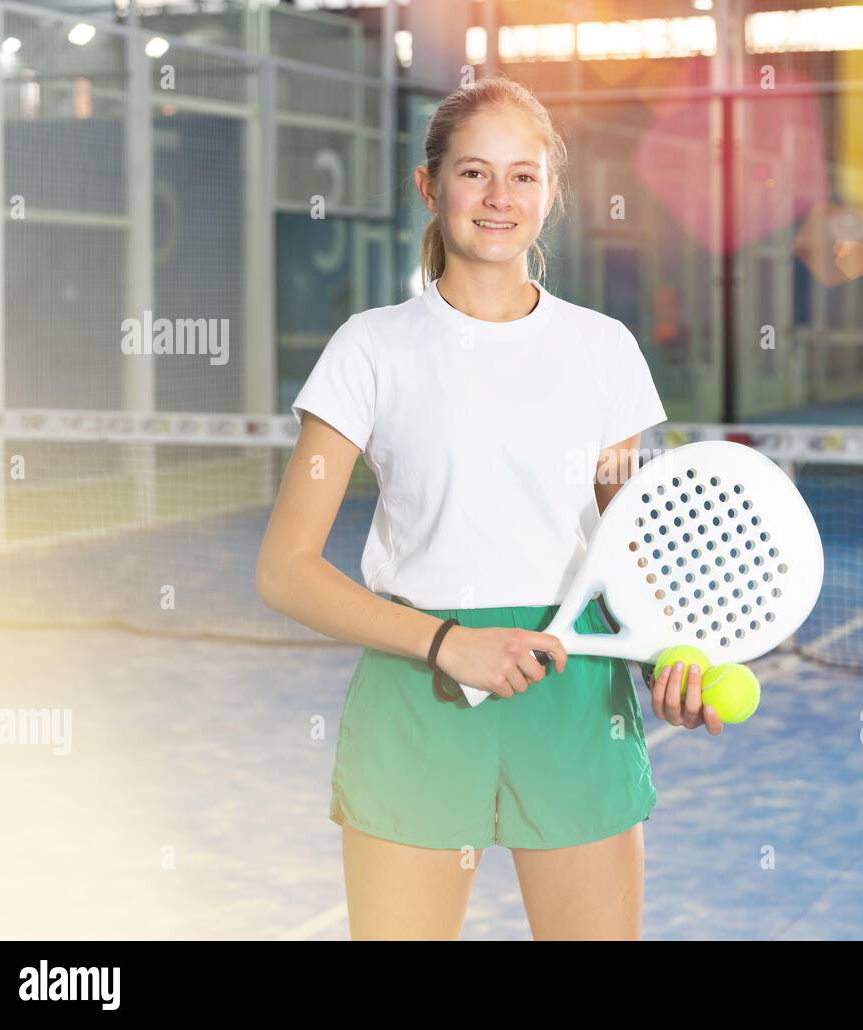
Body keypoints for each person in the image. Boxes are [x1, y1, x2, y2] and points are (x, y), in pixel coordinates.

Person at [256, 77, 723, 942]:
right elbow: (285, 570)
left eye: (523, 176)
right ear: (430, 187)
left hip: (577, 694)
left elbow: (627, 544)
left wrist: (668, 657)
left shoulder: (603, 351)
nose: (499, 199)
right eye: (474, 174)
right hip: (418, 693)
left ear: (552, 192)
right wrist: (447, 644)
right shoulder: (370, 348)